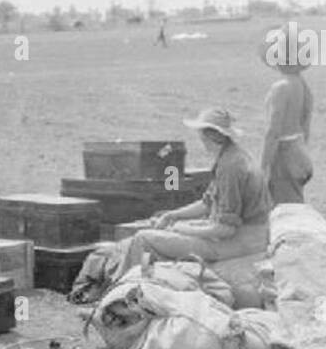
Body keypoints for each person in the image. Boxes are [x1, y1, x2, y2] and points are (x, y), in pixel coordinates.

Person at [112, 107, 271, 279]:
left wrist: (181, 229)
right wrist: (174, 215)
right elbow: (207, 203)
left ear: (211, 136)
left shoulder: (230, 167)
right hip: (248, 237)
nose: (200, 138)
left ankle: (123, 289)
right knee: (169, 233)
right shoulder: (233, 156)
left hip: (240, 243)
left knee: (143, 239)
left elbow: (225, 229)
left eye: (202, 134)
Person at [260, 26, 315, 204]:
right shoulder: (302, 85)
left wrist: (263, 167)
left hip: (283, 157)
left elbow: (272, 132)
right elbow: (306, 125)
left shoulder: (280, 87)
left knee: (284, 210)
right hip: (298, 152)